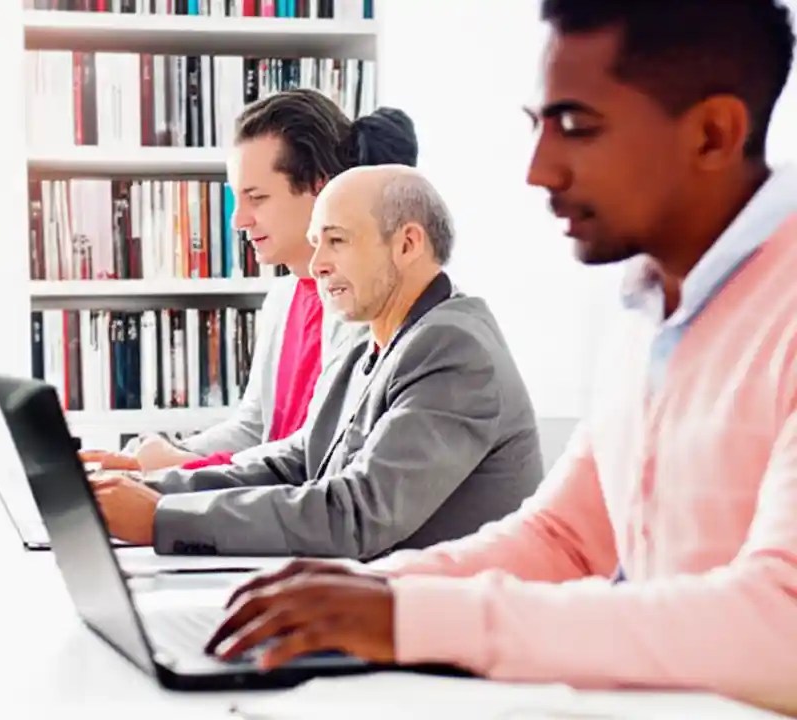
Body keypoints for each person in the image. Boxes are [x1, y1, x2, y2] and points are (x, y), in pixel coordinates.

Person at [205, 0, 797, 715]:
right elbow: (565, 537)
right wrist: (378, 592)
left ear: (713, 133)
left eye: (576, 125)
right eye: (535, 124)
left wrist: (412, 620)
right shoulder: (646, 305)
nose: (539, 169)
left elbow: (781, 623)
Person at [90, 165, 543, 559]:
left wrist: (162, 519)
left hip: (441, 630)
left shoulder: (456, 350)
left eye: (336, 240)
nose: (318, 262)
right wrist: (146, 490)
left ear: (407, 244)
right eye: (315, 242)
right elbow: (295, 463)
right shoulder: (370, 343)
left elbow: (357, 513)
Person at [83, 91, 416, 474]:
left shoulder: (366, 306)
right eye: (236, 199)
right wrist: (155, 460)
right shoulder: (282, 298)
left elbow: (312, 455)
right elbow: (254, 428)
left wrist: (183, 468)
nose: (237, 221)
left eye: (256, 198)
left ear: (319, 187)